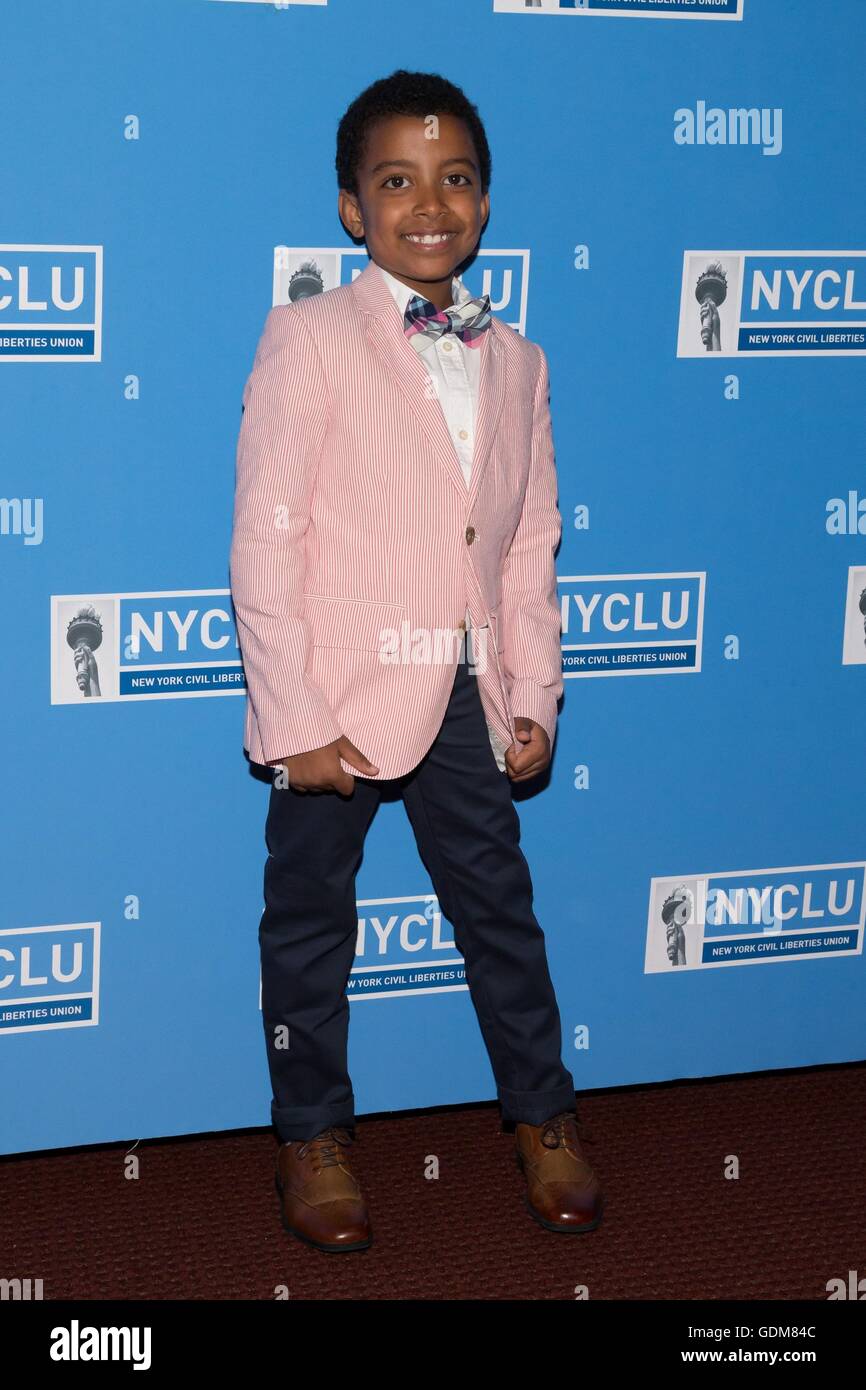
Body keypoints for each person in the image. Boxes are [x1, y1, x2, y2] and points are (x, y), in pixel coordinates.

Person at [229, 69, 604, 1254]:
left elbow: (526, 545)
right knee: (306, 922)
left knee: (500, 913)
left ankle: (542, 1119)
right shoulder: (307, 336)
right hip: (333, 694)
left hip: (461, 692)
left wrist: (529, 689)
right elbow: (266, 533)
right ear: (352, 208)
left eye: (453, 180)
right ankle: (310, 1134)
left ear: (484, 205)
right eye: (396, 181)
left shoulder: (520, 361)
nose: (426, 203)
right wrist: (290, 714)